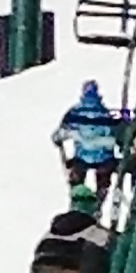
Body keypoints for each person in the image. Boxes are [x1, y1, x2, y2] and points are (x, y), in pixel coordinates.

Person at [53, 79, 122, 213]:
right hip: (104, 158)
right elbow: (117, 132)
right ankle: (99, 202)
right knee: (103, 178)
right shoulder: (106, 113)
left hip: (82, 158)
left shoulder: (75, 113)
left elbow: (62, 132)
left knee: (77, 175)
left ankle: (77, 203)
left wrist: (58, 139)